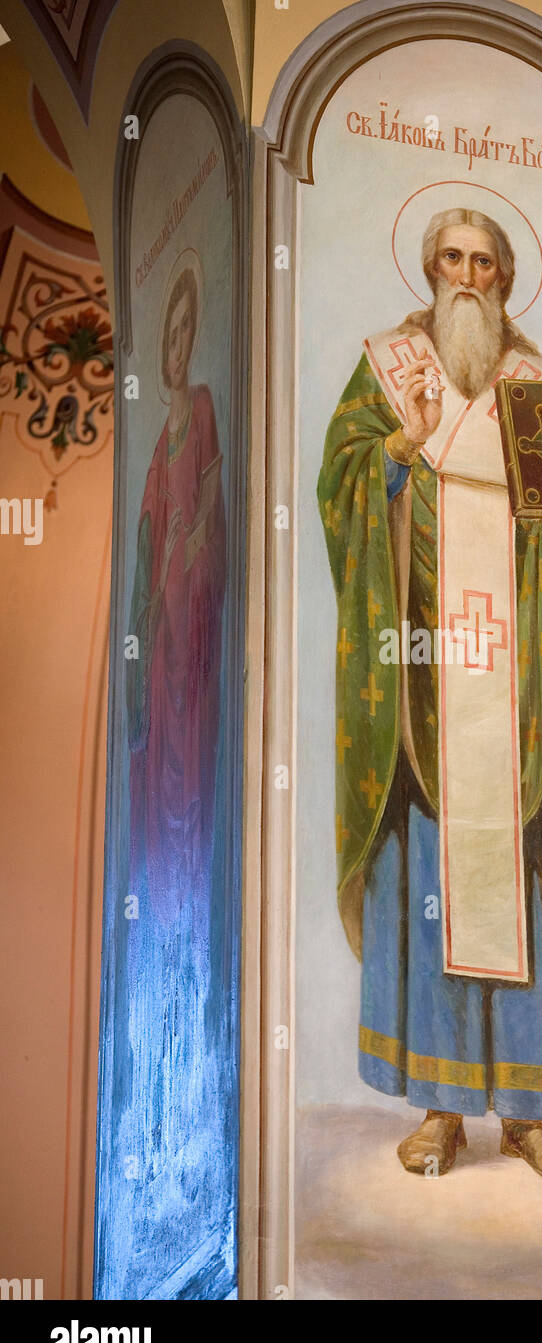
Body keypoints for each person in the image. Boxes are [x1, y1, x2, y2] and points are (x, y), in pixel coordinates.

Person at [318, 208, 542, 1182]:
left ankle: (526, 1115)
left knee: (523, 885)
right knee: (426, 887)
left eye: (483, 262)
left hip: (516, 697)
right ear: (429, 267)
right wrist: (397, 454)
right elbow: (343, 484)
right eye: (452, 258)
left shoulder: (539, 391)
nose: (467, 276)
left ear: (504, 277)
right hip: (420, 689)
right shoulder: (389, 369)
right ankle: (440, 1108)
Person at [126, 262, 226, 941]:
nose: (181, 342)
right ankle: (163, 904)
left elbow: (211, 512)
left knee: (191, 760)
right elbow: (145, 547)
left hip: (194, 617)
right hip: (163, 622)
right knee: (159, 753)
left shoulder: (207, 408)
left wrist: (195, 554)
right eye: (173, 331)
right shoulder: (160, 444)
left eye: (189, 329)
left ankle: (191, 901)